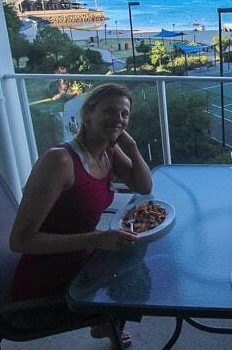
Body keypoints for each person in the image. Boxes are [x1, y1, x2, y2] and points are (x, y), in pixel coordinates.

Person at [9, 83, 152, 348]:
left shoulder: (107, 151)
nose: (118, 119)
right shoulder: (59, 161)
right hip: (49, 285)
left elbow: (143, 186)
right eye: (110, 111)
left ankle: (103, 324)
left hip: (82, 262)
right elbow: (19, 241)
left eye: (124, 114)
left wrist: (131, 146)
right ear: (88, 114)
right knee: (135, 280)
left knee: (140, 256)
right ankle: (104, 320)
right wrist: (96, 240)